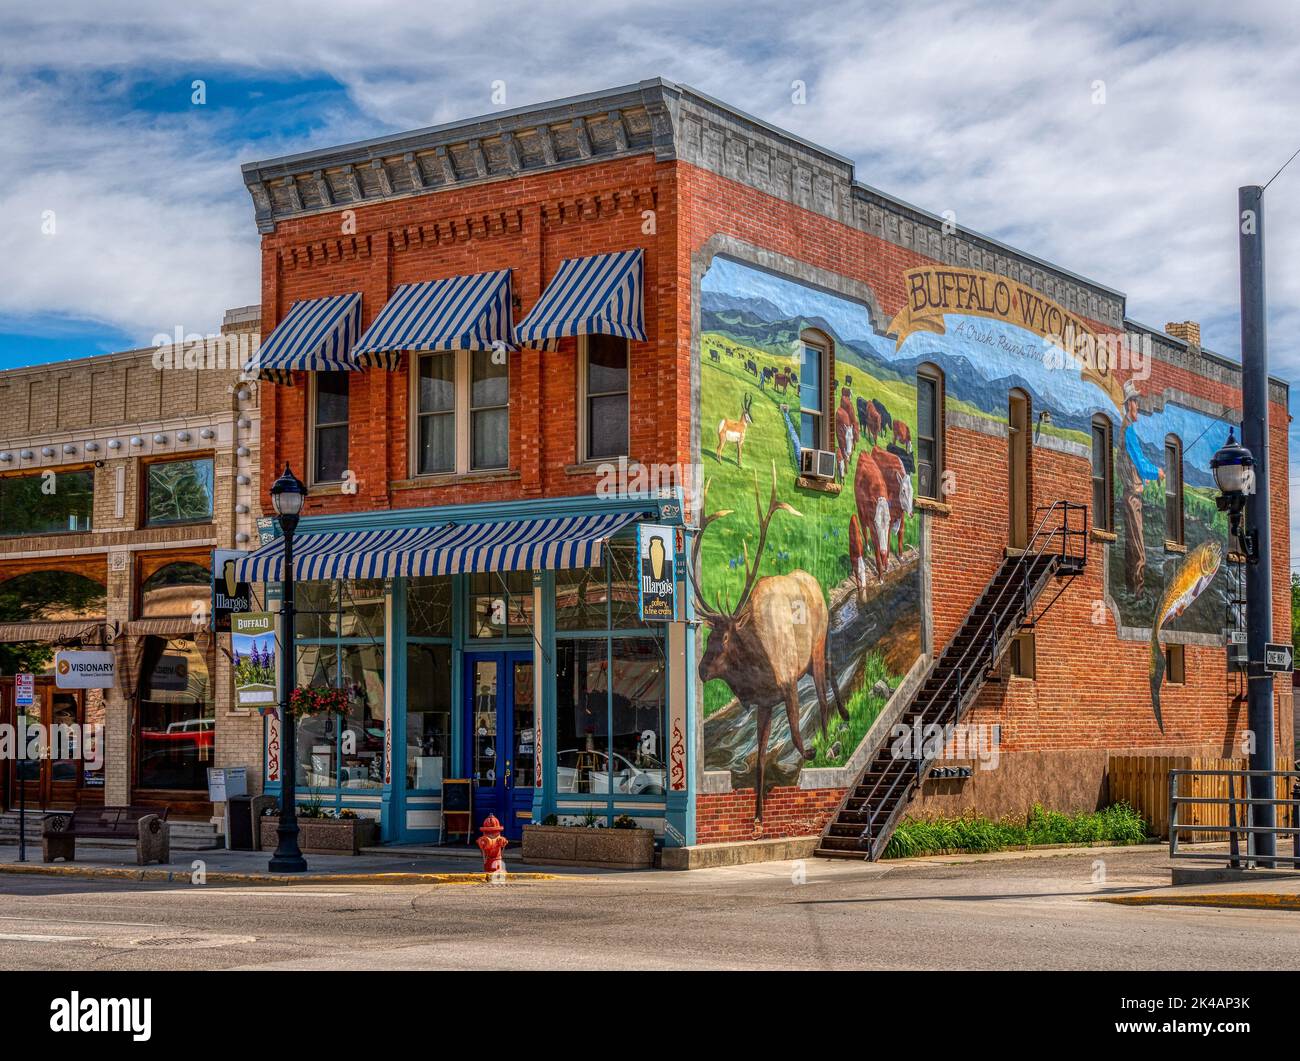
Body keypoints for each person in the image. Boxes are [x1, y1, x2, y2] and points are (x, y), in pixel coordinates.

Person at [1118, 379, 1164, 594]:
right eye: (1135, 401)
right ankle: (1138, 592)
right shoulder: (1128, 431)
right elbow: (1140, 461)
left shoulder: (1126, 430)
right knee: (1139, 549)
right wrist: (1157, 473)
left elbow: (1128, 463)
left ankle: (1131, 589)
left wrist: (1139, 477)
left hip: (1131, 495)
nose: (1138, 406)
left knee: (1131, 545)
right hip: (1132, 498)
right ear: (1129, 404)